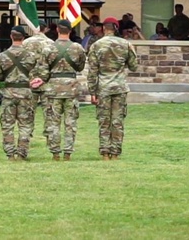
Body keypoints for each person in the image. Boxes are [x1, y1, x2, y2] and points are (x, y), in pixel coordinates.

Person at [0, 26, 47, 160]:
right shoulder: (31, 56)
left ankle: (10, 153)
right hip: (26, 94)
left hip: (9, 94)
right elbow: (40, 73)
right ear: (23, 38)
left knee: (7, 124)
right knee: (25, 124)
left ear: (11, 36)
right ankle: (22, 152)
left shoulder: (3, 56)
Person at [87, 17, 138, 160]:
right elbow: (134, 66)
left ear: (104, 28)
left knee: (104, 120)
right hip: (120, 87)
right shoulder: (125, 44)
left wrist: (92, 92)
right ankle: (115, 152)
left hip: (103, 87)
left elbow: (92, 71)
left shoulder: (96, 45)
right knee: (117, 120)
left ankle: (104, 152)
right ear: (116, 28)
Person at [43, 20, 86, 161]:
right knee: (70, 122)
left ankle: (55, 152)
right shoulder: (77, 48)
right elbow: (80, 67)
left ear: (57, 30)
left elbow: (43, 70)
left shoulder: (48, 48)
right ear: (70, 30)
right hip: (71, 89)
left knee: (54, 122)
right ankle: (68, 152)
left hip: (53, 89)